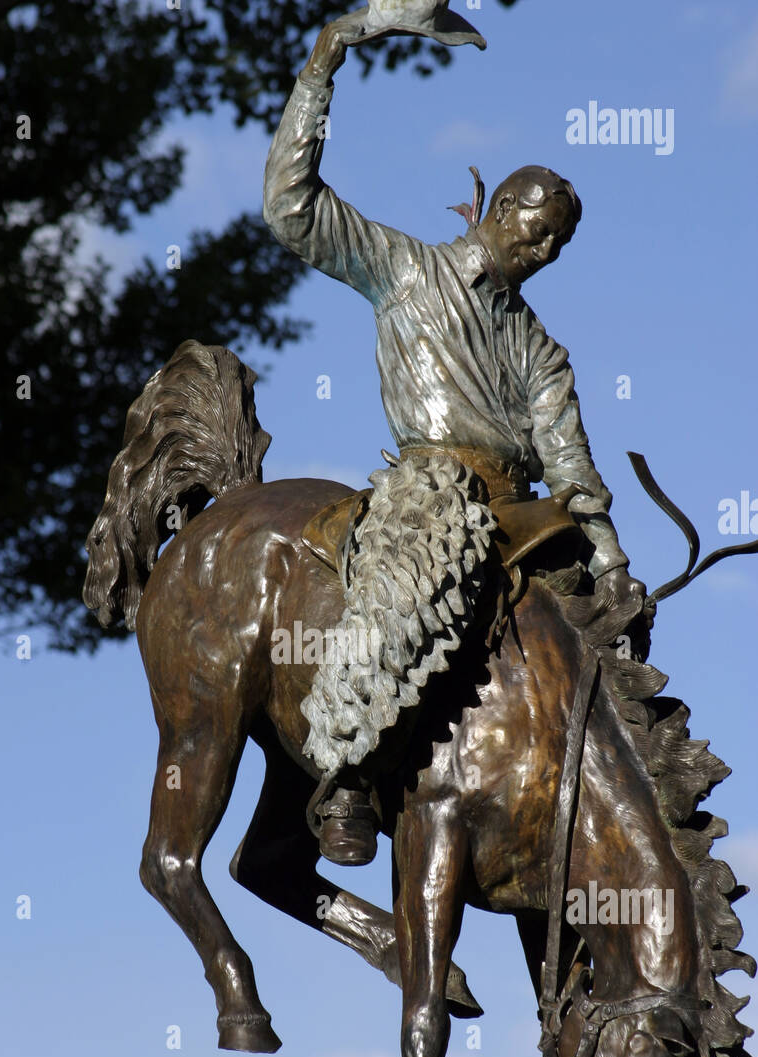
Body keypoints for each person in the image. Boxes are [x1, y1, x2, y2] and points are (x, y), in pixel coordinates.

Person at [263, 16, 645, 866]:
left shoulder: (541, 347)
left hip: (521, 511)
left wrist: (614, 562)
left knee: (597, 656)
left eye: (561, 243)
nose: (547, 250)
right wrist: (327, 58)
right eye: (539, 228)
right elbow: (290, 210)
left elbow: (571, 462)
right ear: (503, 208)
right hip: (430, 494)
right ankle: (346, 772)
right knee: (407, 592)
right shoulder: (405, 269)